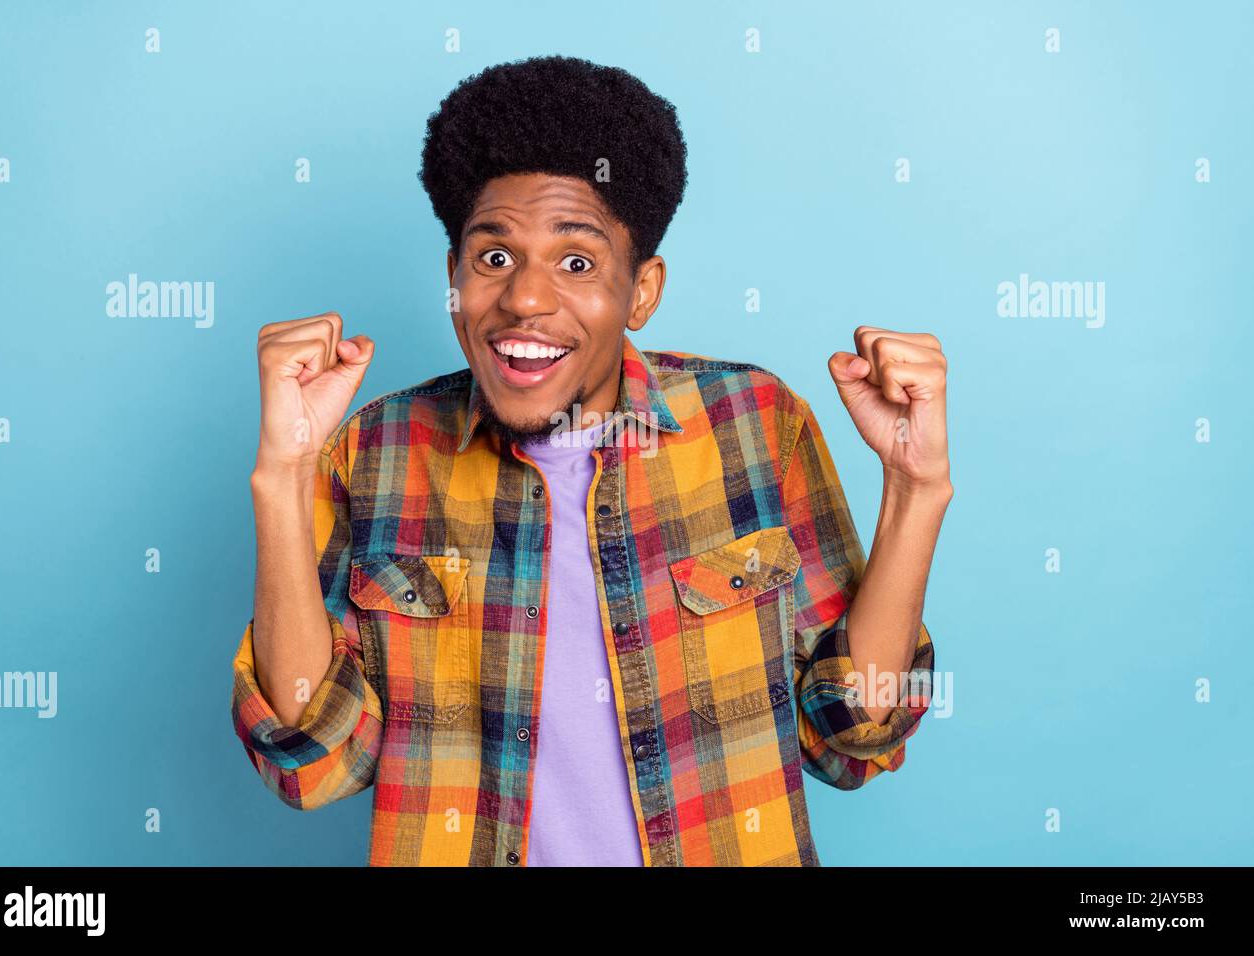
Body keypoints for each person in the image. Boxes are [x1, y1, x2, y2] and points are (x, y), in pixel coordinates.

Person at [230, 54, 950, 867]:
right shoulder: (377, 451)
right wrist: (283, 473)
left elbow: (853, 733)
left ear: (642, 291)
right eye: (493, 257)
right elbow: (313, 760)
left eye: (576, 262)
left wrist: (914, 490)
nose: (526, 299)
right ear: (454, 278)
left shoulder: (753, 425)